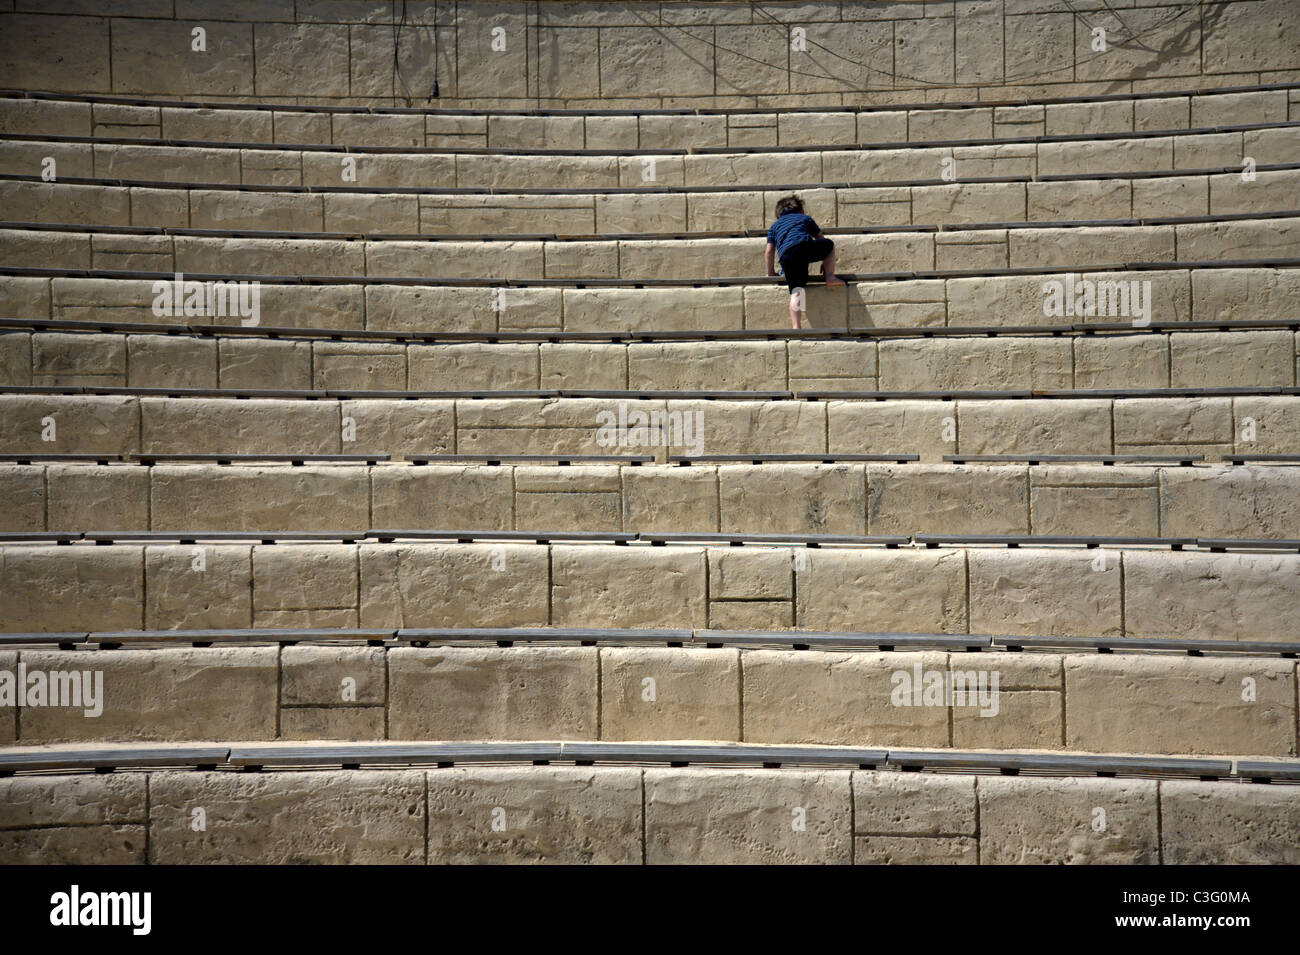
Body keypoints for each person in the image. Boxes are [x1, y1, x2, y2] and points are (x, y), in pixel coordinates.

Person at [764, 194, 845, 329]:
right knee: (829, 244)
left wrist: (770, 272)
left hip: (786, 257)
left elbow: (769, 251)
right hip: (803, 248)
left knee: (797, 290)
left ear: (779, 215)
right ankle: (830, 277)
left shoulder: (774, 226)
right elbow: (820, 238)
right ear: (801, 210)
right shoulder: (805, 218)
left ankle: (796, 326)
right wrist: (825, 262)